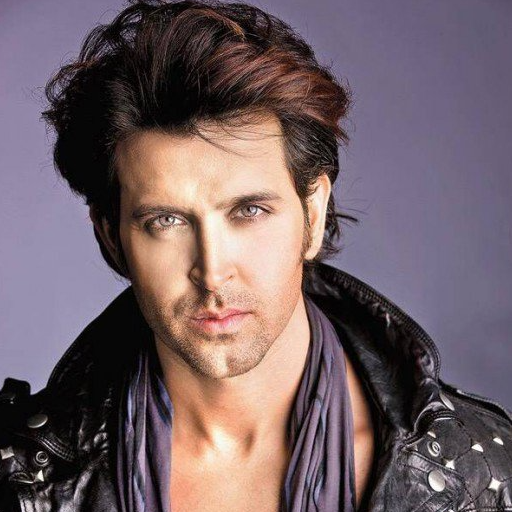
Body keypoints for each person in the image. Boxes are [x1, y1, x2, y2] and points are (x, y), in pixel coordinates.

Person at [1, 0, 511, 510]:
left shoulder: (476, 476)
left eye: (249, 211)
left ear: (313, 215)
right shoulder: (20, 480)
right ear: (110, 238)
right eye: (166, 221)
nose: (212, 271)